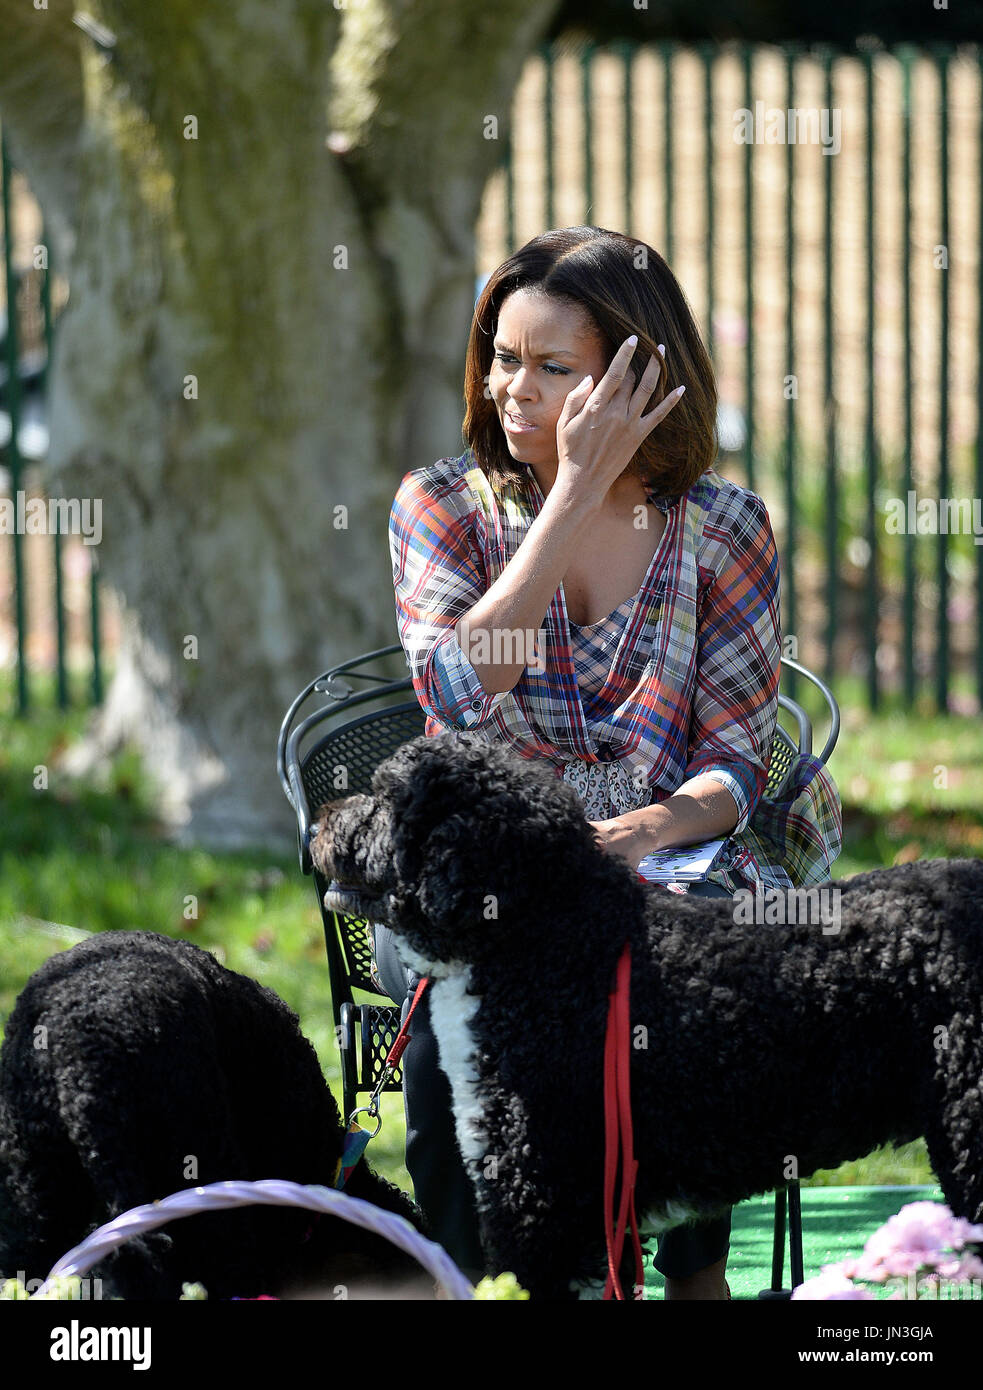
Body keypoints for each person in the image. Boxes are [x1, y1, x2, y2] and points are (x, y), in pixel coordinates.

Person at [376, 225, 841, 1298]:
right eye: (500, 357)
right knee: (467, 1026)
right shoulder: (439, 506)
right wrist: (572, 495)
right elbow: (453, 689)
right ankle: (491, 1276)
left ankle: (691, 1274)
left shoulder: (722, 528)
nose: (512, 390)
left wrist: (633, 835)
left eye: (551, 368)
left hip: (667, 847)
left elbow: (733, 757)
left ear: (641, 377)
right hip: (487, 872)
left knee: (698, 978)